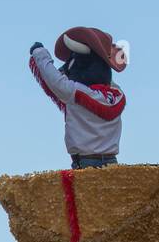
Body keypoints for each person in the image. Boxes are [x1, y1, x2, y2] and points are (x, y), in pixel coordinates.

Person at [29, 27, 127, 168]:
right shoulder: (118, 94)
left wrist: (40, 53)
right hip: (111, 163)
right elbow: (106, 81)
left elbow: (54, 80)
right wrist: (101, 56)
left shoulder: (75, 91)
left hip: (86, 163)